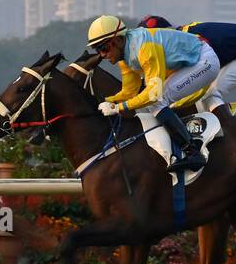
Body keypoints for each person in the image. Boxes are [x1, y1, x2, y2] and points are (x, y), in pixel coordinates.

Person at [85, 15, 222, 171]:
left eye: (104, 48)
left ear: (118, 41)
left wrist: (118, 108)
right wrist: (109, 101)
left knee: (158, 101)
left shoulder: (145, 48)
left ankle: (193, 152)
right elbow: (130, 91)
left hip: (204, 62)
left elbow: (153, 94)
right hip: (190, 63)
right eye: (97, 50)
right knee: (155, 104)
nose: (102, 55)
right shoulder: (124, 57)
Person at [140, 15, 236, 110]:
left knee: (210, 91)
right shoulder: (179, 38)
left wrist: (174, 104)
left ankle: (229, 126)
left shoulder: (184, 42)